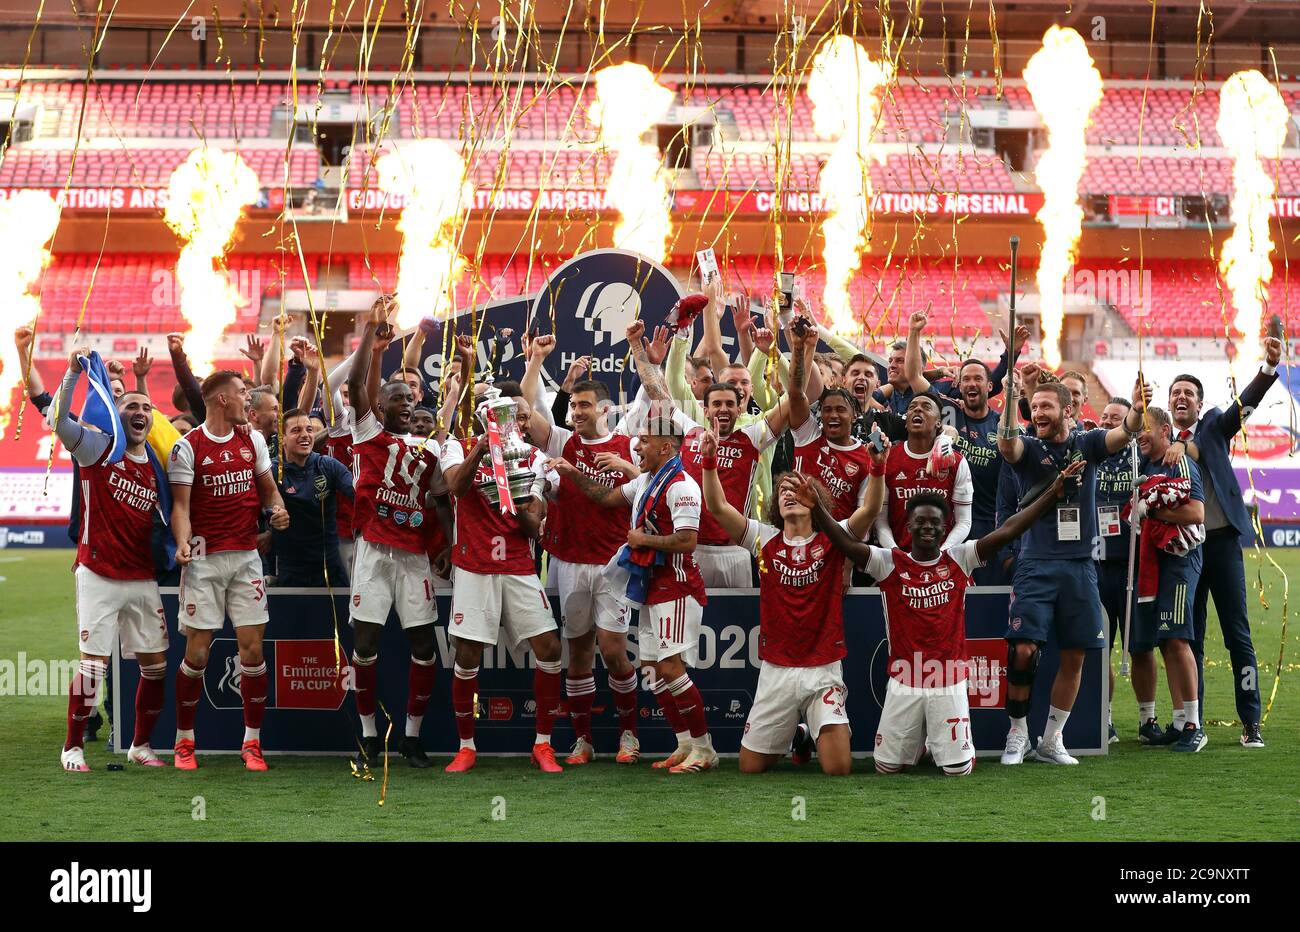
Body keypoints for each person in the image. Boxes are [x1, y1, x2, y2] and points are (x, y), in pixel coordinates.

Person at [796, 461, 1084, 776]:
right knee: (887, 769)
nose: (927, 527)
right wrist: (818, 510)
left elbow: (1008, 529)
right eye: (920, 521)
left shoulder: (960, 559)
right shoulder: (889, 563)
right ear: (909, 525)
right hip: (904, 682)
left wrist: (1052, 496)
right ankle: (921, 739)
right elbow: (847, 543)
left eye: (935, 522)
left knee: (957, 772)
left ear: (944, 527)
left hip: (948, 682)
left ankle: (939, 740)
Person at [699, 429, 886, 775]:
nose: (789, 494)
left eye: (797, 489)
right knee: (750, 768)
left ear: (815, 499)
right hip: (777, 668)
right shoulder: (764, 539)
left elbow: (871, 507)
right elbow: (717, 507)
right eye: (783, 490)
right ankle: (799, 733)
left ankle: (813, 729)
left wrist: (876, 467)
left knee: (838, 770)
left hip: (823, 666)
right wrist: (709, 462)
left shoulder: (833, 537)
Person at [995, 378, 1152, 765]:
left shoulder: (1087, 443)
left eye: (1046, 407)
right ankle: (1017, 734)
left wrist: (1136, 410)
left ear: (1068, 411)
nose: (1039, 414)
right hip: (1036, 563)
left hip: (1081, 565)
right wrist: (1012, 399)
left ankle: (1051, 739)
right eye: (1034, 408)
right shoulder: (1029, 446)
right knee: (1023, 651)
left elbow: (1124, 433)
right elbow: (1007, 445)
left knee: (1075, 655)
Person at [556, 407, 718, 774]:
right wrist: (572, 472)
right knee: (654, 667)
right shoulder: (648, 480)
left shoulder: (681, 485)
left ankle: (705, 748)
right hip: (650, 586)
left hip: (675, 586)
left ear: (666, 446)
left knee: (671, 666)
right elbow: (605, 498)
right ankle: (684, 743)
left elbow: (688, 542)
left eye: (644, 441)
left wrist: (643, 538)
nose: (637, 447)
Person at [522, 332, 642, 765]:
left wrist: (628, 468)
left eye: (584, 405)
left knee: (613, 649)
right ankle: (583, 739)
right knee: (579, 653)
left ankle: (629, 733)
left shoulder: (626, 445)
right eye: (573, 405)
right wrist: (535, 360)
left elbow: (647, 487)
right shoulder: (560, 441)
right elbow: (527, 413)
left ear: (605, 410)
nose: (576, 412)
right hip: (568, 561)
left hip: (613, 563)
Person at [346, 298, 454, 769]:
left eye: (412, 400)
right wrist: (372, 334)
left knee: (424, 648)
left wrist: (447, 540)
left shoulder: (427, 445)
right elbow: (355, 384)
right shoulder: (368, 434)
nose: (408, 405)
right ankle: (369, 735)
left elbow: (441, 493)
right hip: (373, 554)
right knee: (365, 647)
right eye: (399, 400)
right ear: (381, 407)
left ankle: (411, 736)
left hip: (413, 558)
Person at [53, 348, 171, 772]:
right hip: (99, 572)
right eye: (130, 406)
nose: (139, 411)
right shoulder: (98, 449)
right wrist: (71, 376)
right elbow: (59, 422)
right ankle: (72, 747)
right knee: (93, 667)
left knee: (156, 667)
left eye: (146, 407)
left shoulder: (156, 466)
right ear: (116, 414)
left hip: (141, 575)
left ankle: (140, 745)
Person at [440, 383, 565, 775]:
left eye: (514, 416)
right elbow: (455, 487)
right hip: (474, 566)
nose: (509, 422)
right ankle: (466, 747)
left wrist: (518, 503)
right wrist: (484, 446)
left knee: (549, 648)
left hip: (517, 566)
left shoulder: (534, 459)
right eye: (497, 415)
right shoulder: (458, 446)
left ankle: (542, 745)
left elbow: (534, 524)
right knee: (468, 654)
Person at [169, 369, 289, 772]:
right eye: (242, 393)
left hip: (245, 559)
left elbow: (268, 487)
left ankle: (251, 743)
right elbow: (182, 507)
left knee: (252, 651)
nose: (248, 400)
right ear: (223, 400)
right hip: (204, 562)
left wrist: (277, 509)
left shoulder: (252, 440)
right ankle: (185, 741)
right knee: (198, 655)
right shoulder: (188, 447)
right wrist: (182, 541)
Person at [1169, 336, 1281, 747]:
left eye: (1189, 393)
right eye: (1176, 393)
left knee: (1238, 635)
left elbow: (1244, 405)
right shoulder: (1162, 440)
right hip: (1185, 548)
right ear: (1169, 403)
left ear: (1199, 404)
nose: (1182, 398)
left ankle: (1251, 721)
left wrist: (1267, 369)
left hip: (1222, 545)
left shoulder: (1216, 425)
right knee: (1189, 635)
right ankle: (1190, 721)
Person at [632, 317, 794, 586]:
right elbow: (654, 388)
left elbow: (797, 396)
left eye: (730, 404)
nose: (723, 409)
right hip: (692, 548)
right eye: (716, 403)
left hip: (735, 551)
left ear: (739, 408)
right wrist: (636, 346)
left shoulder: (753, 437)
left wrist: (774, 354)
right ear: (705, 410)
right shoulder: (690, 430)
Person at [1131, 406, 1207, 753]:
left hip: (1180, 558)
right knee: (1165, 641)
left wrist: (1152, 509)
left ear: (1166, 431)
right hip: (1158, 562)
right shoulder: (1147, 465)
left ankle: (1195, 723)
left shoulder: (1180, 462)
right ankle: (1180, 721)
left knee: (1177, 639)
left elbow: (1196, 512)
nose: (1141, 434)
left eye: (1148, 428)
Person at [1092, 397, 1140, 744]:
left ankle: (1147, 717)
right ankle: (1103, 718)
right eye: (1105, 415)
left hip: (1132, 563)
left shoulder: (1139, 455)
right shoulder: (1091, 449)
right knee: (1101, 647)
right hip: (1095, 563)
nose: (1108, 421)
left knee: (1140, 646)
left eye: (1116, 418)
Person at [872, 391, 973, 551]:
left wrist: (942, 552)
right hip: (898, 557)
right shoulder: (888, 457)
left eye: (926, 407)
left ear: (939, 423)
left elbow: (964, 521)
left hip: (941, 558)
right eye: (912, 407)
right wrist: (895, 553)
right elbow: (880, 519)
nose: (917, 410)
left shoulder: (957, 461)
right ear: (906, 423)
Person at [268, 409, 355, 588]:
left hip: (330, 570)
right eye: (296, 430)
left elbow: (359, 493)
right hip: (291, 572)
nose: (305, 435)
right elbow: (263, 505)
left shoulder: (328, 466)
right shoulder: (271, 471)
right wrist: (272, 518)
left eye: (309, 429)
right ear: (282, 438)